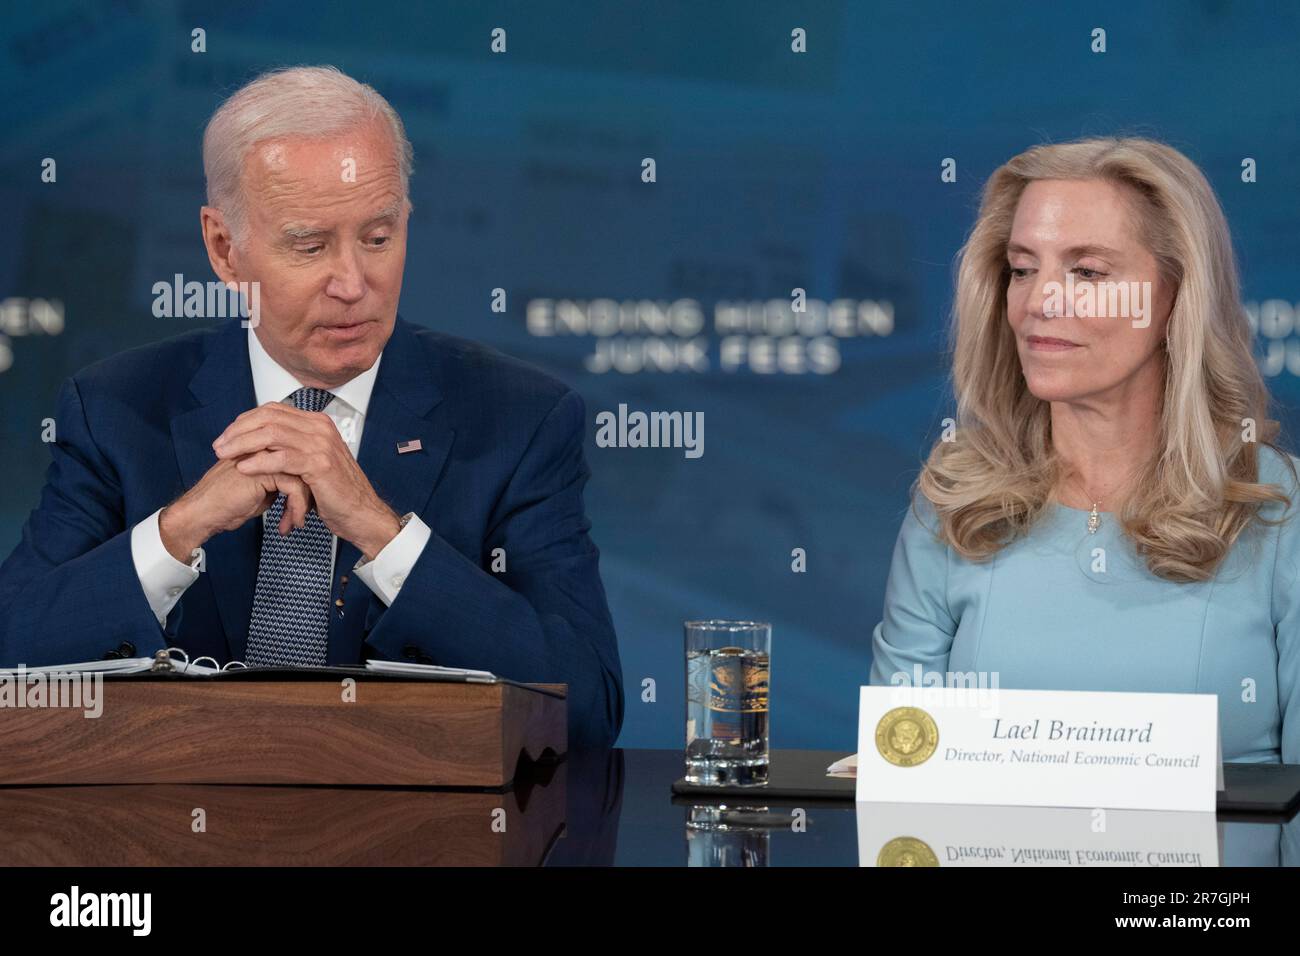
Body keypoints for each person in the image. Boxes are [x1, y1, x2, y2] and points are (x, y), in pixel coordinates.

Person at [0, 65, 623, 750]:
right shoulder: (117, 410)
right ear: (223, 248)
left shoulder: (519, 421)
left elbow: (586, 707)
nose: (354, 284)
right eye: (311, 245)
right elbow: (13, 656)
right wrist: (181, 527)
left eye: (378, 238)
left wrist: (385, 535)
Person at [870, 136, 1300, 763]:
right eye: (1022, 269)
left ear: (1175, 296)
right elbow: (900, 779)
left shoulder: (1279, 510)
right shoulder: (954, 500)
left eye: (1088, 273)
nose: (1041, 302)